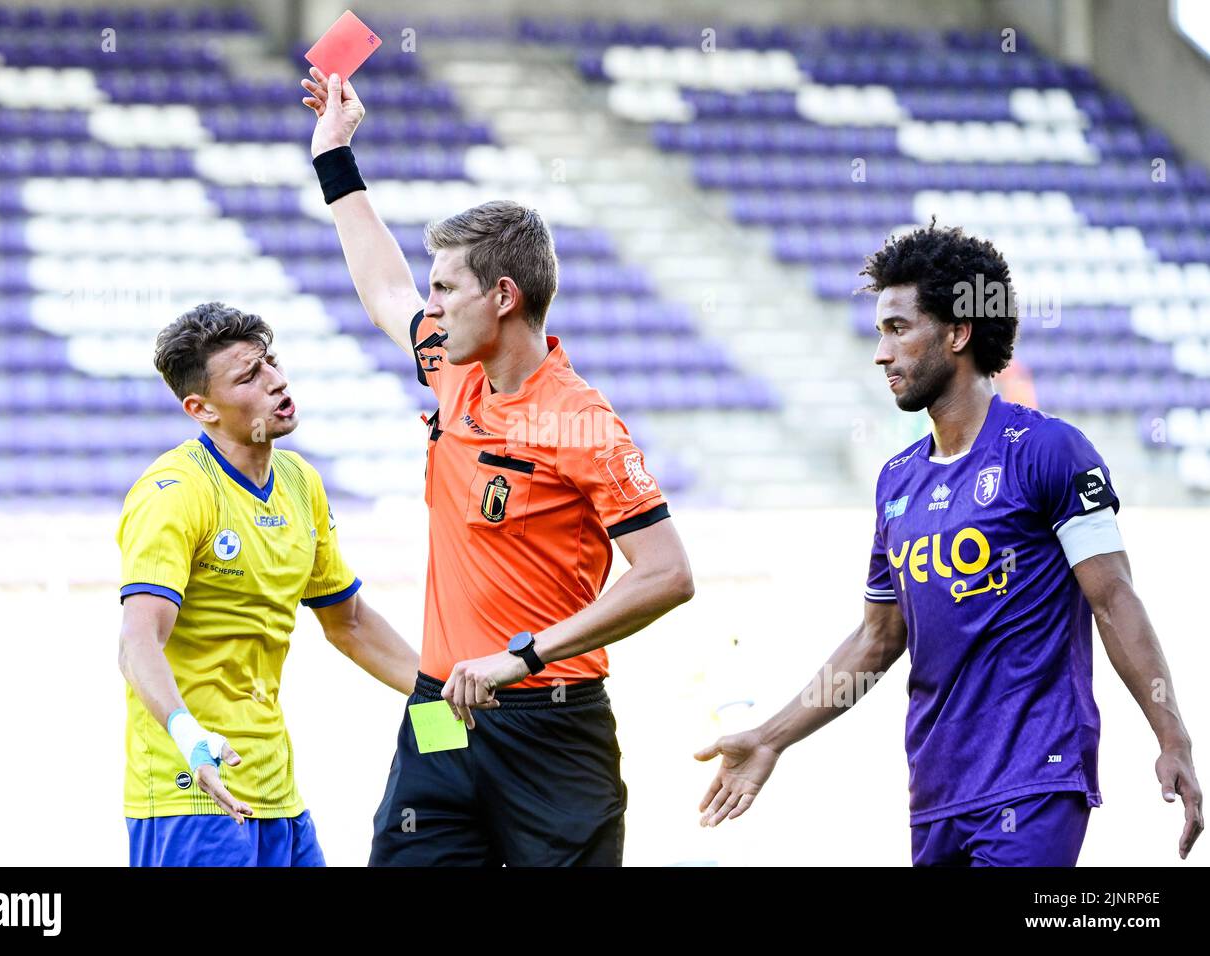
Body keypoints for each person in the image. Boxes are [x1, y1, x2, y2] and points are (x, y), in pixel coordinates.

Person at [695, 223, 1202, 866]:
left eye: (899, 328)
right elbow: (877, 640)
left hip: (1034, 781)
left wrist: (1172, 735)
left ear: (959, 332)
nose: (882, 352)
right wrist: (772, 738)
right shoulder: (896, 481)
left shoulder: (1050, 452)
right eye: (881, 331)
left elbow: (1114, 601)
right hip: (935, 794)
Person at [299, 69, 695, 866]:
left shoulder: (584, 423)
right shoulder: (451, 364)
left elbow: (666, 575)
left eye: (448, 288)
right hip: (441, 712)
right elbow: (383, 287)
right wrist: (334, 156)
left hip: (551, 726)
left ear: (504, 296)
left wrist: (522, 656)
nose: (431, 305)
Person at [117, 301, 418, 866]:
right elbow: (137, 643)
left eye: (271, 362)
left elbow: (348, 621)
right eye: (249, 376)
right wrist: (189, 739)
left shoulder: (300, 482)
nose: (277, 381)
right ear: (200, 407)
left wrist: (438, 693)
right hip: (191, 793)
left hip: (277, 793)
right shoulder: (174, 491)